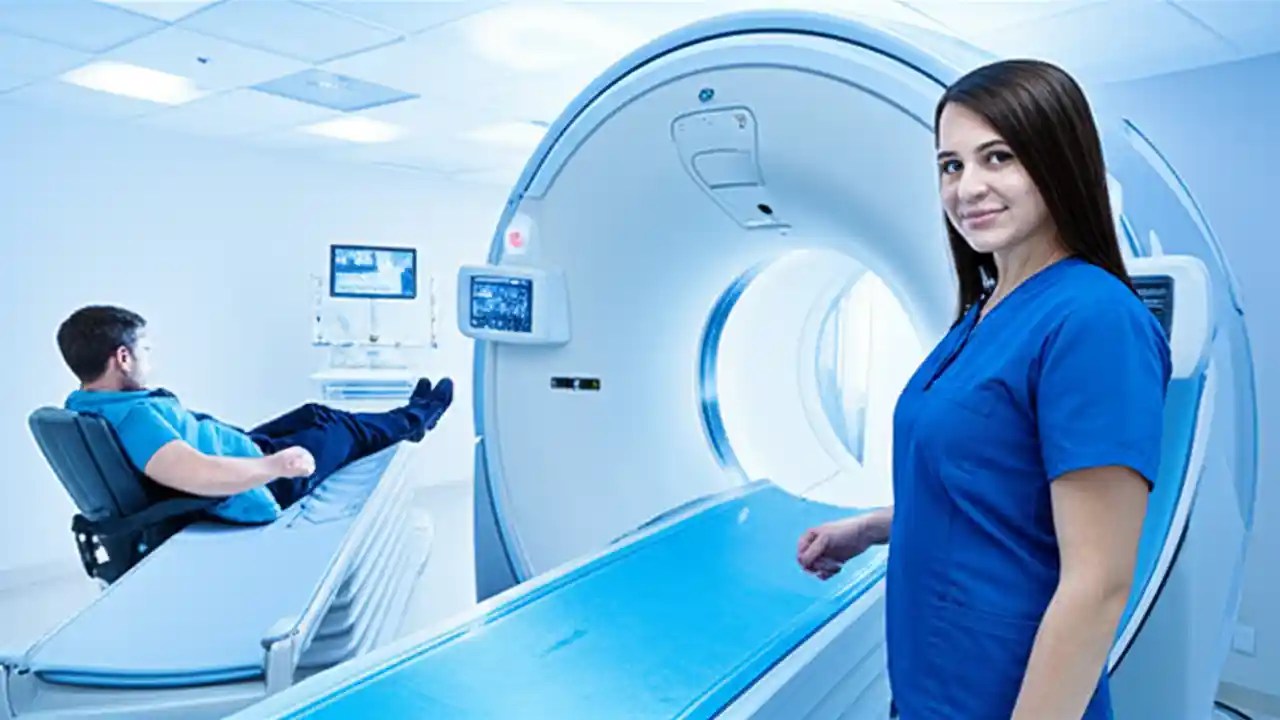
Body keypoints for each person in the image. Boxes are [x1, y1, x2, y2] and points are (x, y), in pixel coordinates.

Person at [796, 59, 1171, 719]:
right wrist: (876, 528)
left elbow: (1099, 583)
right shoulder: (984, 312)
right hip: (931, 686)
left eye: (998, 158)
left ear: (1058, 160)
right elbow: (992, 497)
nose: (968, 187)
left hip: (1013, 695)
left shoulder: (1093, 318)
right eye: (951, 165)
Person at [55, 305, 454, 525]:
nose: (150, 361)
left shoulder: (86, 403)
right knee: (340, 429)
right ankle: (418, 417)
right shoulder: (134, 419)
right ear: (122, 358)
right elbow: (196, 474)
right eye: (146, 351)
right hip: (257, 483)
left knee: (314, 411)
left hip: (243, 448)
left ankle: (410, 417)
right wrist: (277, 465)